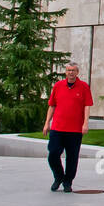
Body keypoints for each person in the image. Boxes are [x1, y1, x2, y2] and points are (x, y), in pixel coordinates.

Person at [43, 62, 92, 192]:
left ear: (77, 72)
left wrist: (85, 123)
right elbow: (52, 105)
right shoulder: (58, 86)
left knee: (72, 157)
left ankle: (68, 181)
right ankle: (58, 176)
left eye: (73, 70)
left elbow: (87, 106)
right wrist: (47, 122)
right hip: (57, 128)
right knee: (53, 153)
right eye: (69, 70)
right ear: (66, 72)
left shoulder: (83, 87)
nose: (71, 73)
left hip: (75, 129)